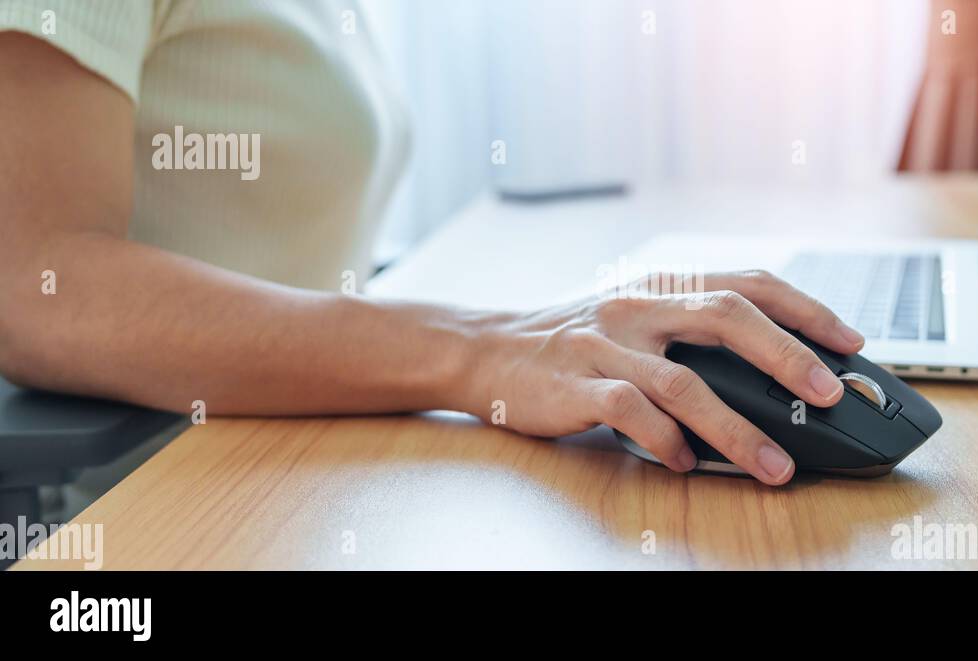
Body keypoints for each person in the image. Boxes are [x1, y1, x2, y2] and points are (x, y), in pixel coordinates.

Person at [0, 1, 867, 487]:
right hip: (174, 493)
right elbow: (37, 286)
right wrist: (480, 351)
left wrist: (536, 327)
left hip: (303, 458)